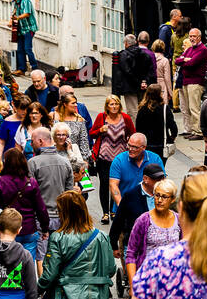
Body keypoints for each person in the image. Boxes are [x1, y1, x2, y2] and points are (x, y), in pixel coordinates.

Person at [0, 146, 50, 264]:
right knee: (27, 264)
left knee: (9, 265)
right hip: (29, 228)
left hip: (8, 228)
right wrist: (45, 228)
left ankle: (12, 282)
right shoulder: (31, 182)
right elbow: (41, 208)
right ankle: (26, 282)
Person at [28, 126, 75, 255]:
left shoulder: (33, 163)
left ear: (41, 141)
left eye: (32, 141)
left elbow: (30, 193)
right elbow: (70, 193)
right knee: (60, 254)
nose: (31, 144)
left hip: (41, 218)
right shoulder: (65, 162)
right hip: (62, 216)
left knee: (42, 256)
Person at [125, 178, 181, 283]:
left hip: (172, 282)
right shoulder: (144, 220)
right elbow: (131, 254)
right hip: (147, 280)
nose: (159, 200)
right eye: (157, 195)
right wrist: (133, 284)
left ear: (172, 199)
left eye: (164, 197)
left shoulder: (179, 221)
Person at [90, 95, 135, 224]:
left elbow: (133, 133)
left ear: (119, 105)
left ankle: (113, 211)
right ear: (107, 106)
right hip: (103, 157)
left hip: (120, 157)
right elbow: (91, 133)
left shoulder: (125, 118)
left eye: (116, 104)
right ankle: (105, 213)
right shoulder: (101, 117)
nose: (114, 107)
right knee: (104, 184)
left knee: (116, 184)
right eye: (111, 104)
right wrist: (100, 130)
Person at [109, 164, 168, 260]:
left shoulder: (166, 194)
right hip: (135, 247)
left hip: (158, 248)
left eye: (162, 179)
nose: (161, 182)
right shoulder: (130, 196)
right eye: (157, 179)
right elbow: (119, 220)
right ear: (145, 179)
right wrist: (114, 245)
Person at [108, 133, 162, 211]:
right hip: (125, 207)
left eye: (134, 147)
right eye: (129, 145)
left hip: (149, 209)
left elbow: (162, 183)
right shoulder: (119, 160)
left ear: (144, 147)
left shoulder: (155, 159)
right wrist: (122, 207)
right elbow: (113, 185)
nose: (130, 149)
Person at [176, 27, 207, 140]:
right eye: (190, 36)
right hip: (186, 81)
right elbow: (177, 60)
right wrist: (185, 59)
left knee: (194, 108)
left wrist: (185, 60)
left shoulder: (202, 49)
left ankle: (198, 132)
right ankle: (192, 130)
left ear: (199, 37)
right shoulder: (190, 49)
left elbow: (192, 63)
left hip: (195, 82)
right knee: (188, 108)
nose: (192, 38)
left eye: (194, 36)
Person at [114, 34, 153, 119]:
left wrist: (139, 82)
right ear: (135, 42)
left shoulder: (123, 55)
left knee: (132, 111)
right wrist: (144, 82)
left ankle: (134, 130)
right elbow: (149, 70)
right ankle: (143, 130)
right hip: (142, 86)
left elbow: (127, 71)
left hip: (129, 87)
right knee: (142, 109)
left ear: (126, 43)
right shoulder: (144, 54)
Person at [135, 84, 177, 164]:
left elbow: (138, 128)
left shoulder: (142, 109)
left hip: (147, 144)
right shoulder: (164, 108)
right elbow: (172, 126)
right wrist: (172, 137)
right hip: (161, 143)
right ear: (159, 94)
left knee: (148, 166)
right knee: (160, 166)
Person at [9, 0, 38, 73]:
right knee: (20, 49)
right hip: (20, 29)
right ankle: (22, 69)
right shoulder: (16, 3)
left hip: (29, 28)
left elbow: (27, 13)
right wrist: (11, 21)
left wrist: (17, 18)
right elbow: (13, 13)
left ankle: (35, 68)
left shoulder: (25, 1)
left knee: (27, 49)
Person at [51, 122, 86, 187]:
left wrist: (69, 151)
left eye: (63, 135)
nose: (61, 137)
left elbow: (80, 167)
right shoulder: (51, 149)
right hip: (55, 184)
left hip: (71, 184)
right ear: (54, 136)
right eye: (58, 135)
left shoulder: (74, 147)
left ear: (67, 136)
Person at [170, 16, 191, 114]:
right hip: (184, 60)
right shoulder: (187, 37)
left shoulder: (174, 35)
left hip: (175, 61)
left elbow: (171, 46)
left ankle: (175, 105)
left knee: (175, 82)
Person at [152, 40, 173, 105]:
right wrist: (170, 92)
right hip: (162, 84)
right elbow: (167, 78)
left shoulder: (150, 58)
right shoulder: (165, 60)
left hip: (152, 83)